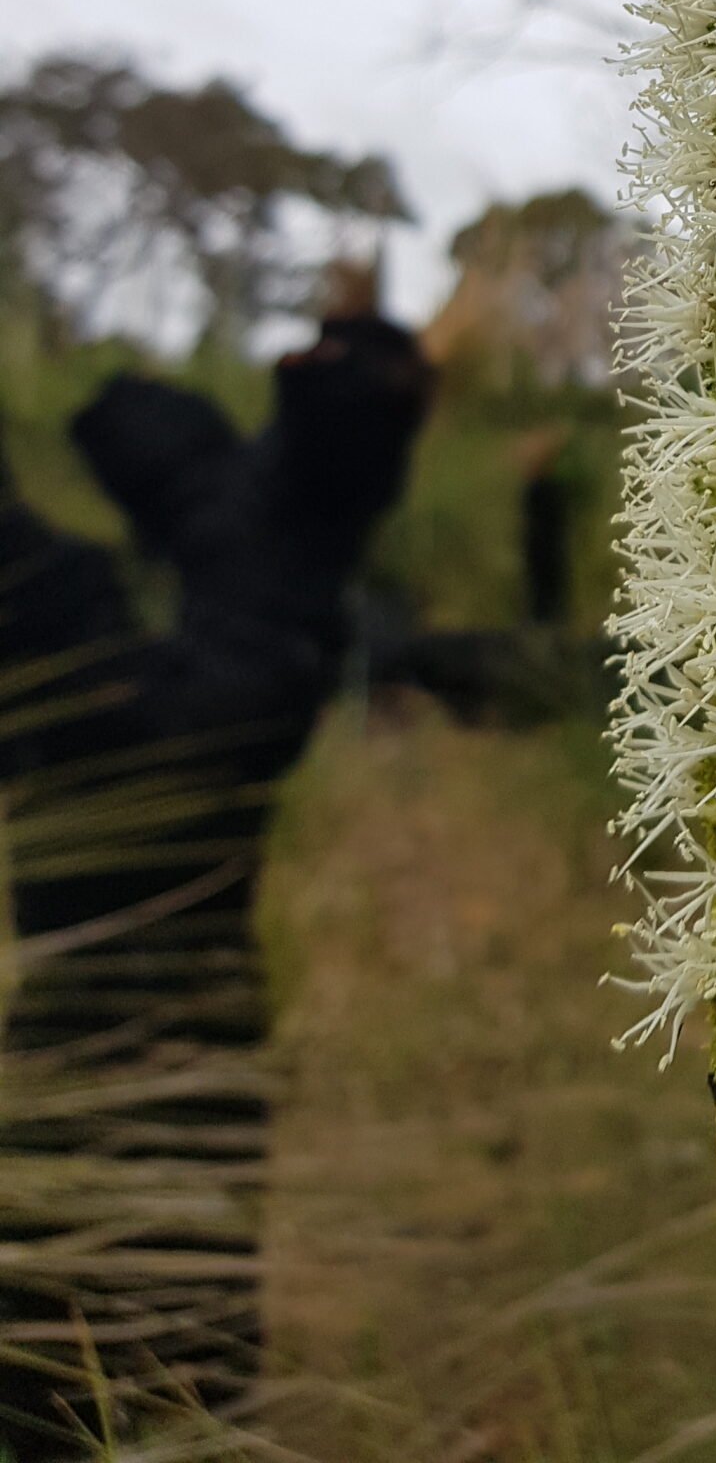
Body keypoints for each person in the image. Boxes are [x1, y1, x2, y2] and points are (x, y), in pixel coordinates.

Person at [0, 312, 433, 1457]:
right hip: (143, 1023)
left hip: (137, 1025)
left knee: (143, 1349)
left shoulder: (205, 585)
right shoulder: (218, 585)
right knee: (97, 1354)